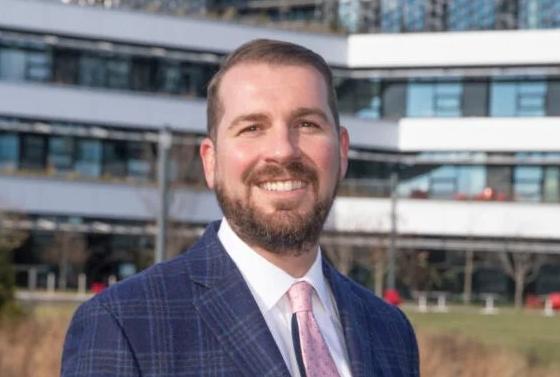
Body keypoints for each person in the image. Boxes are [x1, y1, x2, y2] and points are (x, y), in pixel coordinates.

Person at [61, 39, 419, 377]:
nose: (283, 150)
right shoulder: (123, 326)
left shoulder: (390, 331)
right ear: (211, 162)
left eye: (307, 124)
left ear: (341, 151)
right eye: (252, 127)